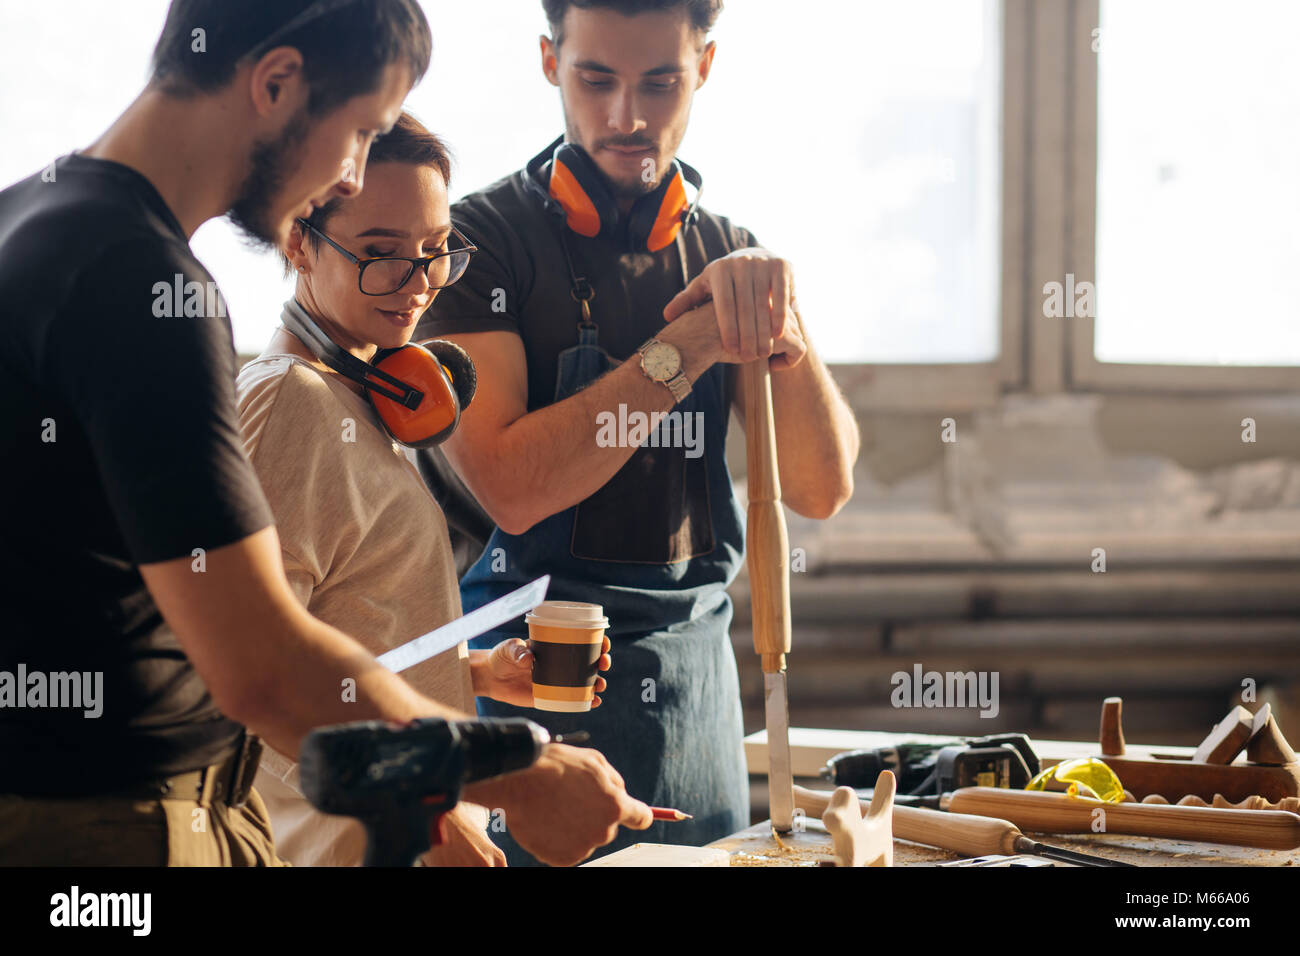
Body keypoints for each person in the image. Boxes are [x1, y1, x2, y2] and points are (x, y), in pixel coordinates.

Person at [0, 0, 649, 867]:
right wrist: (512, 773)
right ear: (276, 84)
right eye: (359, 133)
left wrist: (466, 678)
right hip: (118, 827)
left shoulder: (34, 220)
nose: (348, 177)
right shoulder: (143, 280)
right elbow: (260, 666)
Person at [416, 0, 860, 864]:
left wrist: (784, 325)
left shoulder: (729, 251)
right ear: (550, 61)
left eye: (660, 81)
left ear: (706, 63)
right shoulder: (475, 246)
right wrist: (691, 342)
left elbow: (820, 488)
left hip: (699, 698)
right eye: (596, 79)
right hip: (529, 691)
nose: (628, 117)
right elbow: (511, 485)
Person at [238, 112, 613, 866]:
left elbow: (336, 635)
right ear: (297, 241)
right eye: (381, 255)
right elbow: (248, 682)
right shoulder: (294, 407)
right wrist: (422, 800)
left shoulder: (362, 392)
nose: (417, 287)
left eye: (435, 252)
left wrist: (467, 673)